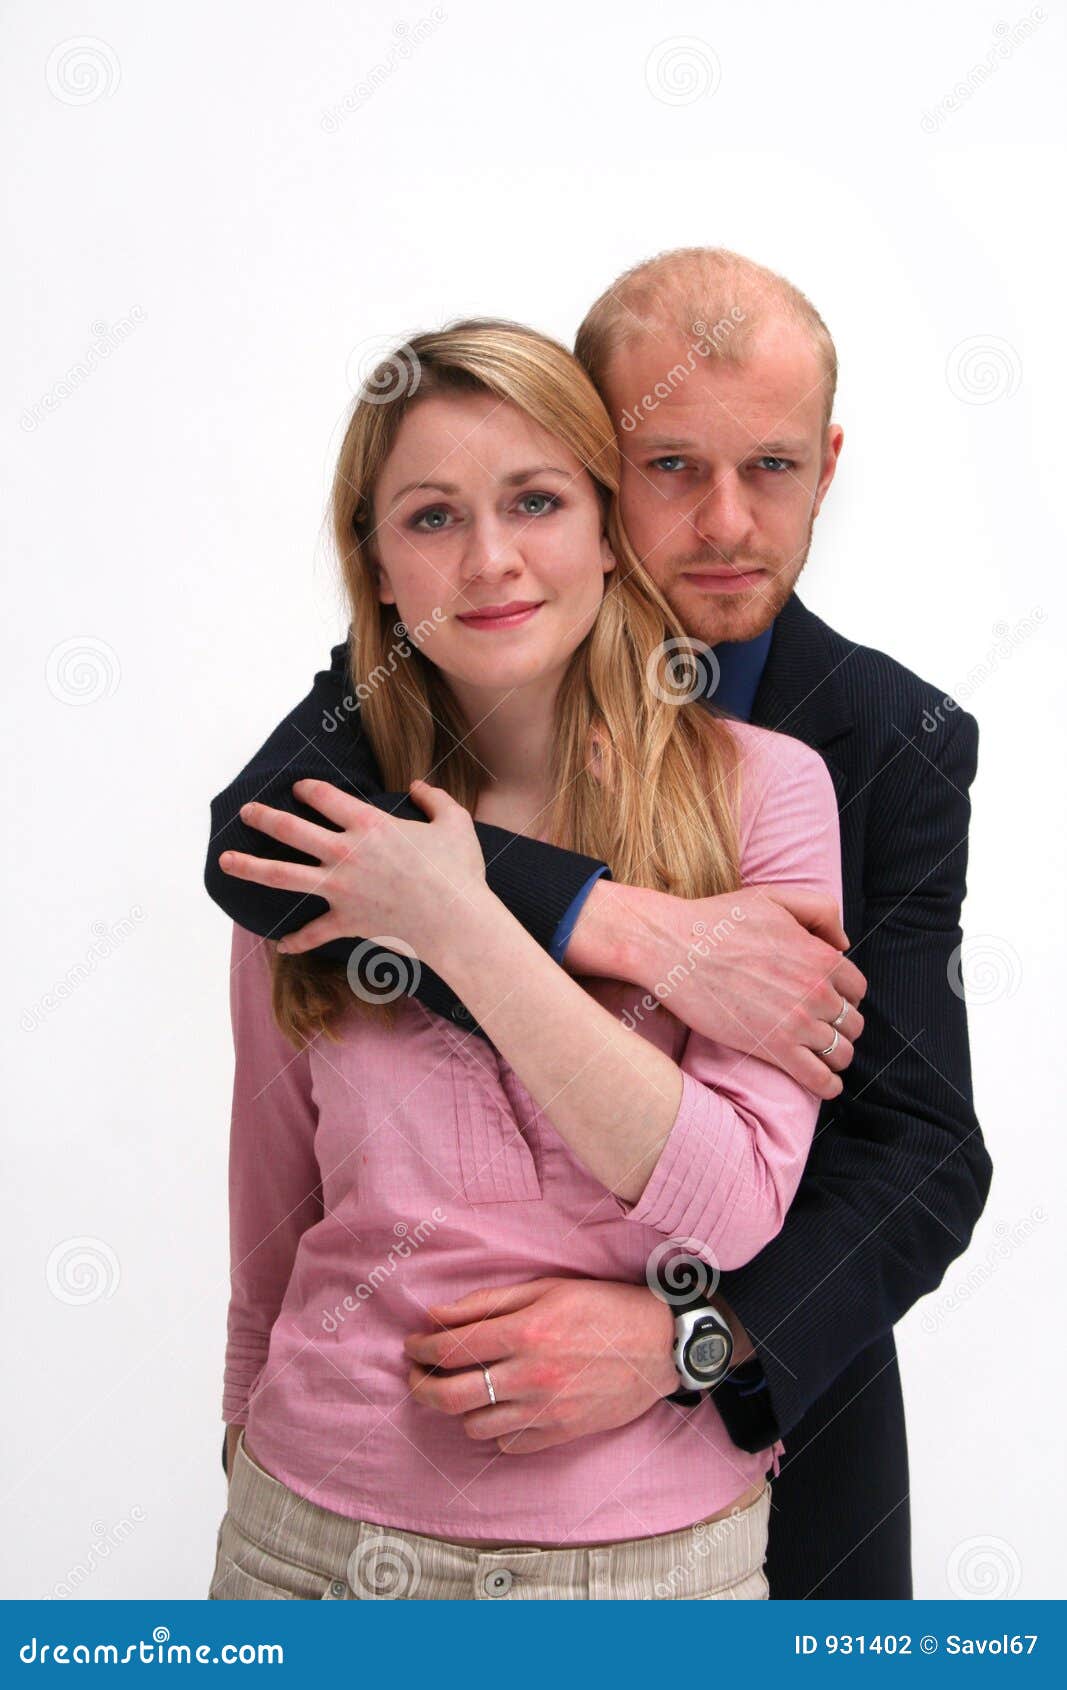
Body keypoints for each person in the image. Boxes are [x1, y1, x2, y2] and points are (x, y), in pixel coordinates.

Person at [205, 249, 992, 1599]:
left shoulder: (869, 748)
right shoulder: (428, 664)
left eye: (776, 468)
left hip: (759, 1414)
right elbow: (257, 846)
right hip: (336, 1510)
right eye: (672, 466)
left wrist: (687, 1336)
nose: (728, 522)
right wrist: (627, 925)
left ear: (829, 463)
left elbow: (919, 1150)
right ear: (595, 456)